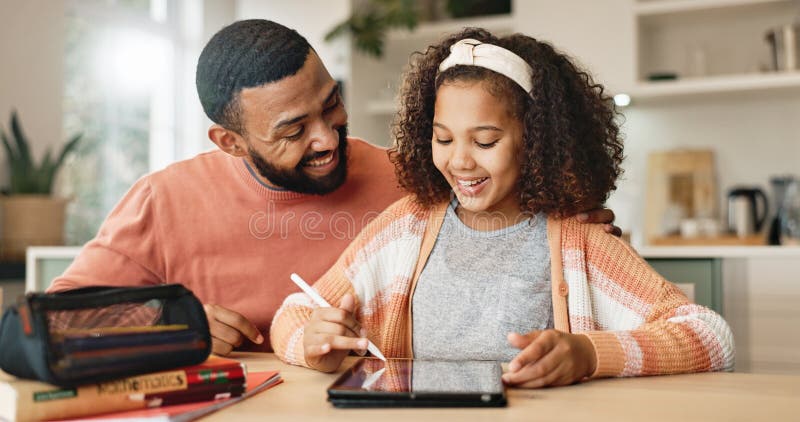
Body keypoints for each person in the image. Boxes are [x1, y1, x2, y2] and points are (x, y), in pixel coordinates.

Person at [47, 20, 619, 356]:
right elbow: (55, 318)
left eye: (331, 104)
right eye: (294, 131)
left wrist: (571, 229)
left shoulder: (415, 177)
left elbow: (514, 223)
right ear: (231, 142)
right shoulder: (164, 200)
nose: (327, 138)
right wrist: (164, 321)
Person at [270, 28, 735, 387]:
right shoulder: (406, 228)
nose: (459, 160)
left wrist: (589, 355)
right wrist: (312, 345)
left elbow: (712, 337)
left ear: (535, 141)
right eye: (443, 137)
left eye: (485, 140)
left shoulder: (578, 240)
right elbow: (293, 313)